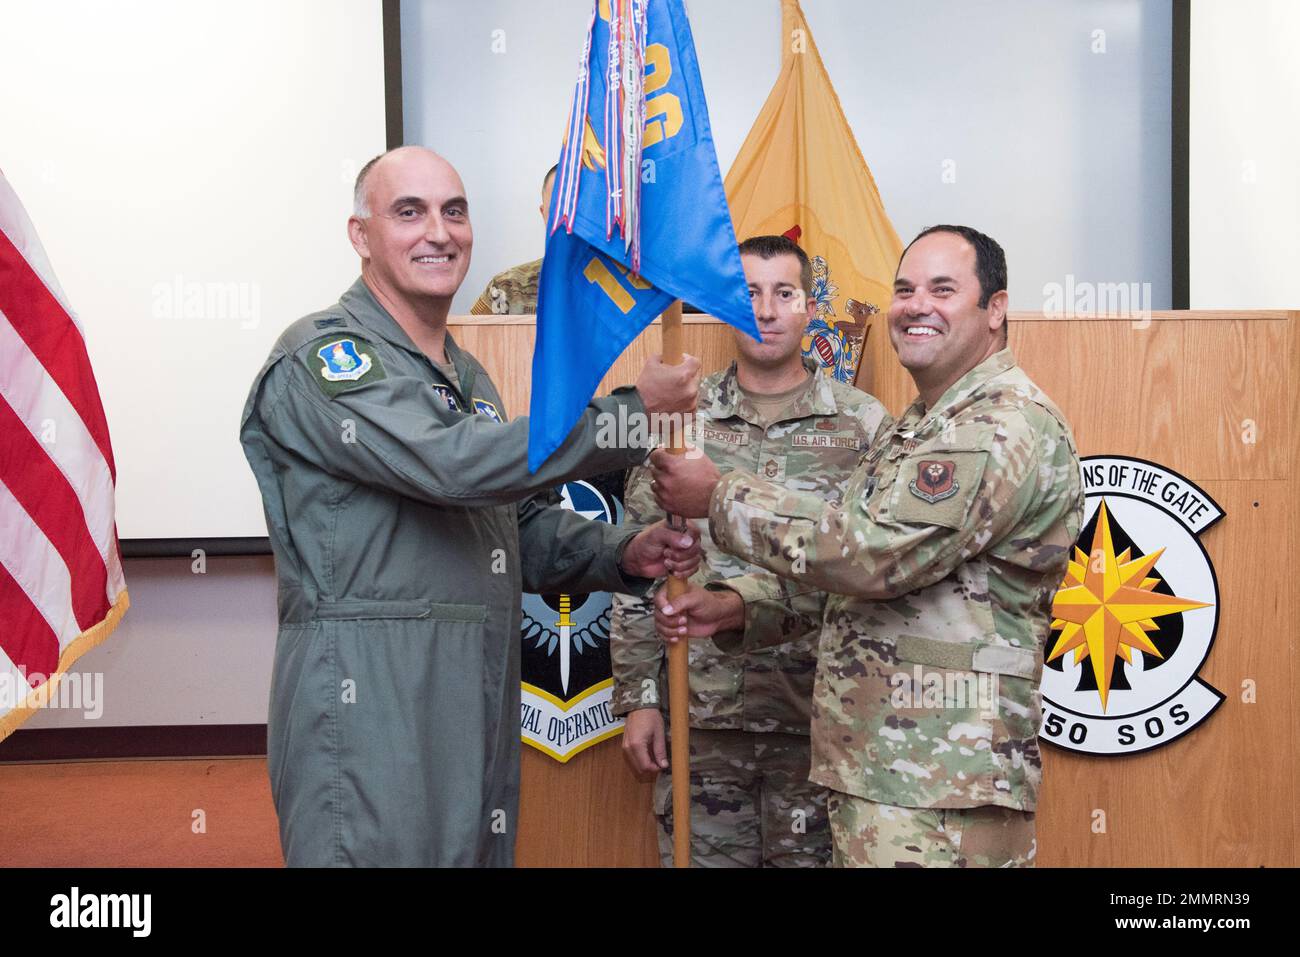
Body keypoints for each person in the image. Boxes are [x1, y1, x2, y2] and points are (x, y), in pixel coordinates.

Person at [239, 146, 702, 867]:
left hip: (472, 696)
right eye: (409, 212)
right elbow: (450, 466)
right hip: (371, 701)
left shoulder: (467, 376)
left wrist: (620, 553)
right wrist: (630, 414)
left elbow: (508, 528)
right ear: (361, 235)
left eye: (454, 211)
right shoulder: (325, 358)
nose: (439, 231)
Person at [649, 225, 1083, 867]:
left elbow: (877, 556)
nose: (916, 306)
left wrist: (719, 497)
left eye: (943, 289)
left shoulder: (998, 423)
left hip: (940, 780)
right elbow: (852, 584)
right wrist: (740, 606)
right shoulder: (923, 426)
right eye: (905, 290)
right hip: (892, 769)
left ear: (995, 309)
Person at [611, 235, 890, 867]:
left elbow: (876, 567)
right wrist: (639, 699)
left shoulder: (863, 426)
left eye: (784, 293)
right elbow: (638, 564)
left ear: (810, 306)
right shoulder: (680, 422)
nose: (765, 310)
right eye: (748, 293)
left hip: (822, 720)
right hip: (701, 717)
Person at [469, 165, 556, 315]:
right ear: (543, 215)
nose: (570, 225)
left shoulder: (605, 290)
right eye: (557, 212)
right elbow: (472, 330)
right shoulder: (507, 289)